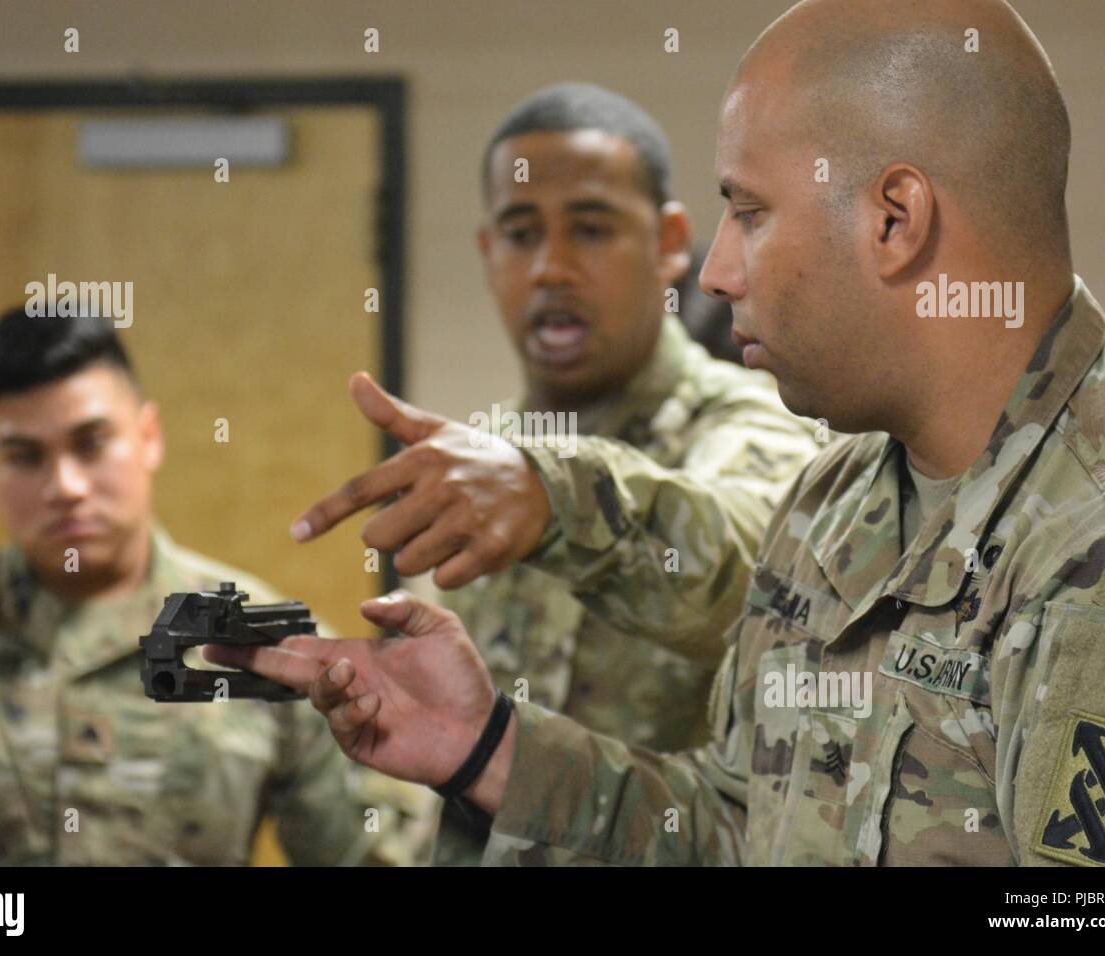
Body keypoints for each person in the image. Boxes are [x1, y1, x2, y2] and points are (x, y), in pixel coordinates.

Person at [210, 0, 1105, 866]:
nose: (716, 275)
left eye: (750, 213)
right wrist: (487, 745)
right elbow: (732, 824)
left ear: (894, 220)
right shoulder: (836, 499)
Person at [288, 83, 820, 862]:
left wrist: (555, 498)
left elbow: (758, 581)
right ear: (486, 251)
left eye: (592, 230)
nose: (552, 268)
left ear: (672, 240)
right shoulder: (480, 456)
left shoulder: (752, 424)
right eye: (521, 232)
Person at [0, 308, 384, 866]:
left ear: (148, 437)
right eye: (25, 457)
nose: (65, 486)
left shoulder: (264, 647)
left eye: (90, 444)